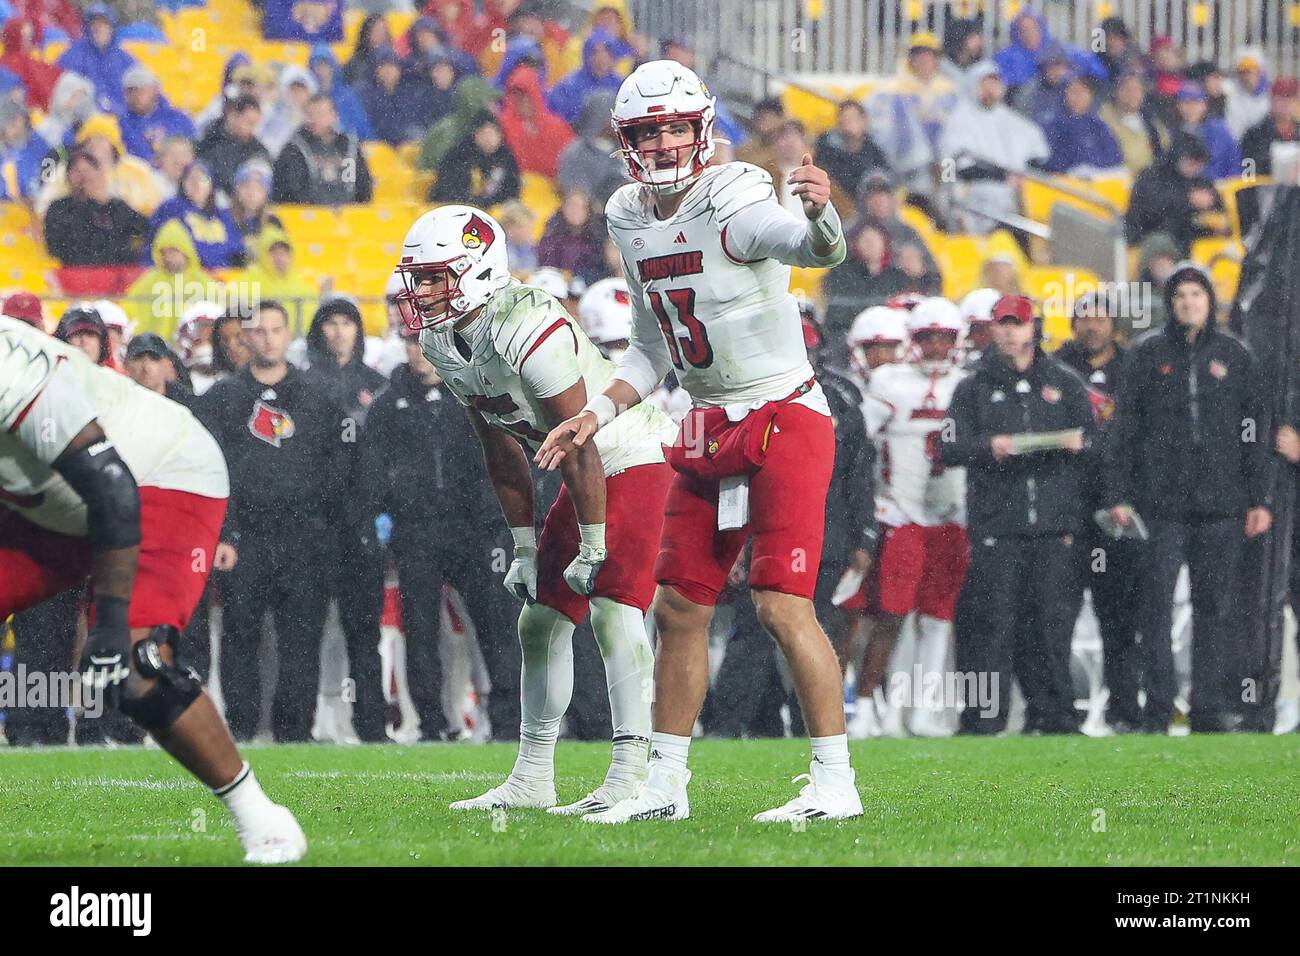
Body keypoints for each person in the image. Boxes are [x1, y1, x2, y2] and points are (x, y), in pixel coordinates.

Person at [536, 60, 860, 822]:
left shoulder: (734, 195)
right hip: (709, 421)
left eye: (675, 126)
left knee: (782, 606)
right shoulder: (626, 212)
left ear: (702, 127)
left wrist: (820, 217)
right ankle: (666, 787)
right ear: (625, 139)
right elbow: (651, 346)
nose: (664, 141)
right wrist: (598, 409)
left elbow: (809, 251)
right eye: (648, 130)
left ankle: (835, 783)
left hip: (783, 414)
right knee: (679, 607)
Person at [398, 204, 676, 814]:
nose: (420, 291)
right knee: (541, 620)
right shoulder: (443, 337)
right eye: (417, 277)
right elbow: (498, 445)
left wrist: (595, 544)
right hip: (585, 472)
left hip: (630, 454)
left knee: (611, 611)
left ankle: (633, 777)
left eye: (435, 277)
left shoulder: (528, 323)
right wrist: (525, 547)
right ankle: (532, 777)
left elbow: (578, 437)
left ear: (476, 270)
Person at [0, 313, 305, 863]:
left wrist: (112, 618)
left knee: (134, 668)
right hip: (46, 499)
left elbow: (113, 491)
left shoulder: (13, 370)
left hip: (159, 473)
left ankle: (260, 815)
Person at [1105, 264, 1271, 733]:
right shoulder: (1147, 355)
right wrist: (1119, 494)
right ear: (1169, 303)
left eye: (1196, 294)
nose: (1188, 303)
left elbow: (1253, 435)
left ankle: (1208, 709)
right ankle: (1157, 709)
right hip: (1160, 507)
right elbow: (1124, 432)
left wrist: (1260, 499)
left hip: (1221, 506)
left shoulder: (1236, 355)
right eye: (1180, 295)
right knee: (1153, 608)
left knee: (1213, 610)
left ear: (1209, 300)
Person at [195, 301, 359, 743]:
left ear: (288, 336)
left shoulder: (319, 396)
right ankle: (243, 728)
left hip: (304, 537)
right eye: (258, 330)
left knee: (300, 639)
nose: (267, 338)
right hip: (244, 538)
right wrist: (223, 533)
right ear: (245, 338)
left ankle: (294, 731)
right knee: (239, 635)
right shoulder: (223, 400)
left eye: (275, 329)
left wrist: (325, 527)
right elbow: (210, 469)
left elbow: (340, 466)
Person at [942, 295, 1095, 735]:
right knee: (990, 626)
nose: (1010, 331)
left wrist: (1077, 444)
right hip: (997, 529)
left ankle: (1054, 716)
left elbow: (1097, 442)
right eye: (1003, 323)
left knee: (1050, 626)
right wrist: (988, 448)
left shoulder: (1064, 383)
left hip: (1052, 527)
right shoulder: (971, 386)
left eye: (1018, 323)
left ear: (1034, 328)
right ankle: (983, 719)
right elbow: (949, 447)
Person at [361, 326, 519, 741]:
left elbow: (497, 461)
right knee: (421, 631)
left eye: (425, 344)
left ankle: (507, 719)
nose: (418, 353)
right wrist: (383, 516)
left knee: (495, 626)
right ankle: (431, 722)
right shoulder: (386, 406)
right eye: (412, 343)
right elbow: (372, 470)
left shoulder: (471, 399)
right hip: (416, 532)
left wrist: (493, 522)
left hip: (472, 531)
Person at [855, 298, 969, 737]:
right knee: (894, 612)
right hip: (900, 511)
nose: (938, 346)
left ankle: (924, 711)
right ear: (913, 340)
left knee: (939, 614)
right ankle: (885, 711)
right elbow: (858, 442)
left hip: (952, 512)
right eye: (927, 337)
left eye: (945, 337)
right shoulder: (890, 381)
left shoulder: (968, 383)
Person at [1053, 291, 1143, 732]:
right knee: (1056, 618)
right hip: (1067, 513)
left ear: (1114, 324)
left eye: (1100, 319)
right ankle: (1057, 713)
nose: (1092, 327)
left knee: (1120, 620)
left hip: (1116, 512)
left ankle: (1125, 711)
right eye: (1084, 319)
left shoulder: (1134, 368)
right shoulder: (1053, 367)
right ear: (1072, 324)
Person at [938, 60, 1049, 233]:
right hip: (976, 191)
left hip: (1015, 191)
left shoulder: (1009, 118)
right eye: (985, 84)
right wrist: (1002, 176)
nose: (990, 89)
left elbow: (1037, 152)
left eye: (994, 83)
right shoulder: (959, 119)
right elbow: (953, 165)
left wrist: (1021, 174)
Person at [43, 148, 150, 266]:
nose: (83, 178)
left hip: (117, 273)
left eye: (88, 171)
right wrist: (90, 206)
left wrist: (102, 204)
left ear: (100, 175)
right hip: (74, 274)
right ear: (68, 177)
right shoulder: (59, 208)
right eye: (77, 172)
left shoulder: (115, 206)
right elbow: (60, 246)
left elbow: (143, 228)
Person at [1124, 133, 1229, 253]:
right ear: (1177, 157)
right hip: (1150, 237)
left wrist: (1219, 225)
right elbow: (1152, 211)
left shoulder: (1199, 181)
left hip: (1188, 241)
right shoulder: (1151, 177)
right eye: (1191, 161)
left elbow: (1218, 212)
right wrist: (1188, 200)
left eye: (1200, 163)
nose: (1196, 167)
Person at [272, 93, 373, 204]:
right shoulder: (294, 149)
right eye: (310, 114)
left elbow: (363, 188)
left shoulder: (349, 147)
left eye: (320, 114)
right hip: (307, 215)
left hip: (346, 215)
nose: (315, 119)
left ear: (333, 116)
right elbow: (289, 191)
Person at [147, 160, 244, 269]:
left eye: (202, 179)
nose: (196, 184)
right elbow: (155, 245)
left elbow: (236, 249)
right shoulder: (171, 209)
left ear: (211, 185)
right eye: (191, 178)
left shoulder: (223, 216)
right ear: (182, 183)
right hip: (182, 276)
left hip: (221, 278)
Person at [55, 3, 135, 113]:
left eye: (104, 23)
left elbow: (144, 88)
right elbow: (62, 89)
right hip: (86, 118)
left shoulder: (124, 59)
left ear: (112, 27)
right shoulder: (73, 55)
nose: (99, 28)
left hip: (123, 119)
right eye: (94, 23)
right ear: (88, 27)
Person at [813, 100, 888, 215]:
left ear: (864, 120)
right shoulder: (826, 151)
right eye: (845, 119)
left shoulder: (875, 152)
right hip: (834, 210)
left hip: (867, 213)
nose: (848, 124)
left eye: (853, 119)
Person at [429, 112, 520, 206]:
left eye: (494, 133)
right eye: (484, 133)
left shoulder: (506, 158)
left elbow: (511, 191)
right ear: (475, 134)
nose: (489, 139)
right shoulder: (460, 155)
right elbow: (450, 190)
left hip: (491, 209)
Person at [498, 64, 572, 180]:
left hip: (552, 189)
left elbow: (570, 163)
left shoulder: (557, 127)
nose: (523, 101)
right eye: (518, 95)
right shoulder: (501, 127)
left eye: (527, 94)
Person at [1041, 75, 1125, 175]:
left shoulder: (1099, 126)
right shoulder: (1052, 125)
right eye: (1073, 91)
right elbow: (1050, 160)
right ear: (1064, 94)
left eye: (1083, 91)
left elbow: (1115, 157)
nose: (1078, 96)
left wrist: (1094, 168)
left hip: (1099, 181)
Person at [558, 91, 627, 210]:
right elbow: (577, 195)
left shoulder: (623, 148)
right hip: (594, 219)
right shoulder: (577, 153)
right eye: (613, 117)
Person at [195, 93, 271, 198]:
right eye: (249, 123)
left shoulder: (258, 151)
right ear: (232, 116)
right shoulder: (208, 141)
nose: (253, 130)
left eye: (255, 124)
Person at [118, 64, 195, 162]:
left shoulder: (178, 119)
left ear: (154, 90)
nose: (135, 96)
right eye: (130, 91)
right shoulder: (121, 125)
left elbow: (196, 151)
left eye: (140, 90)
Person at [1100, 71, 1168, 177]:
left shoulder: (1150, 120)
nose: (1133, 94)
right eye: (1128, 89)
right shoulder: (1103, 118)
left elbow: (1165, 147)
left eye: (1138, 90)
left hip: (1152, 181)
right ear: (1117, 91)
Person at [1240, 77, 1300, 177]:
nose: (1288, 105)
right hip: (1264, 190)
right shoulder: (1254, 134)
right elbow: (1248, 172)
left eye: (1292, 99)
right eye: (1282, 99)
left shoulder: (1297, 131)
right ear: (1272, 100)